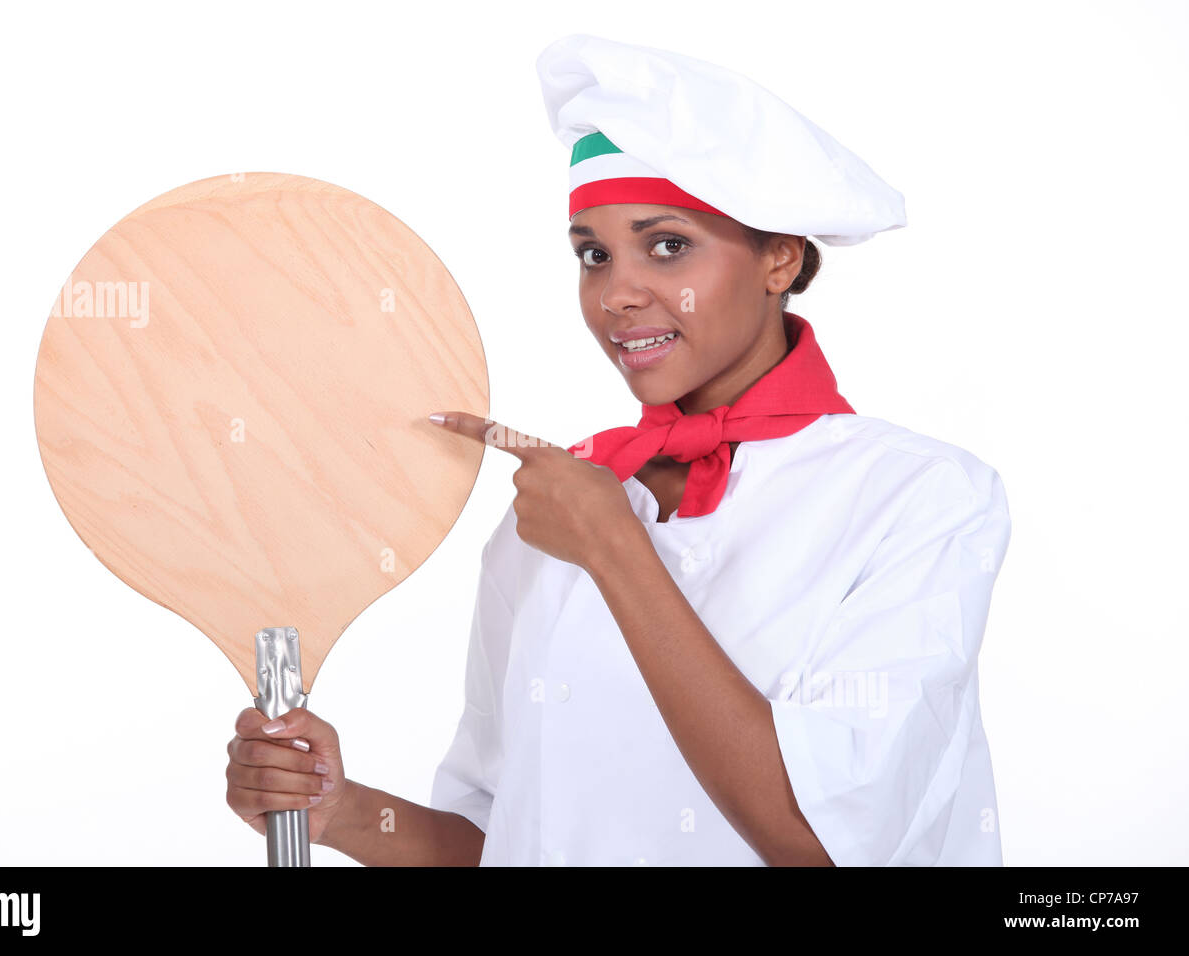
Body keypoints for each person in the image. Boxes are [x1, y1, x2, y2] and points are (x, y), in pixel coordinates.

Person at [225, 34, 1011, 866]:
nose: (618, 293)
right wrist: (340, 810)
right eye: (593, 254)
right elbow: (504, 839)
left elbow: (817, 839)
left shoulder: (921, 498)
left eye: (667, 244)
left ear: (779, 257)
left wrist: (612, 545)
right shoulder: (556, 512)